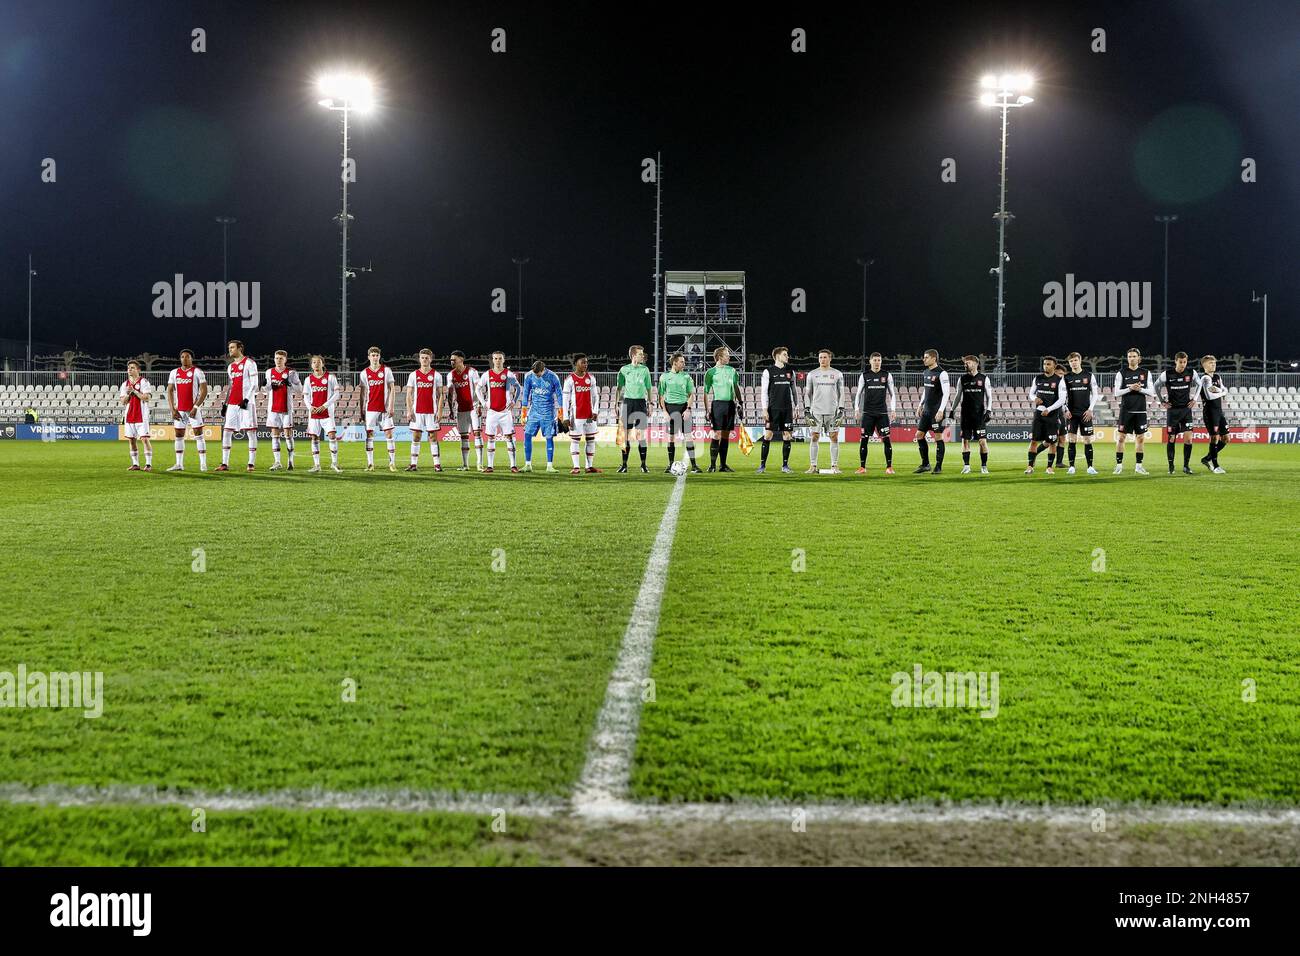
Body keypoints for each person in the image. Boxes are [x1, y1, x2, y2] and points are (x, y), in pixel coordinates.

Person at [1113, 347, 1156, 475]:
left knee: (1140, 438)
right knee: (1121, 438)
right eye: (1129, 356)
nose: (1131, 358)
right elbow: (1116, 393)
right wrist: (1130, 388)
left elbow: (1151, 392)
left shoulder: (1146, 373)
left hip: (1140, 411)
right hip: (1126, 410)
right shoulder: (1121, 373)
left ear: (1139, 358)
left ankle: (1139, 466)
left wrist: (1140, 389)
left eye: (1134, 356)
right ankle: (1119, 466)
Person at [476, 350, 520, 473]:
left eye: (500, 358)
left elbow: (518, 387)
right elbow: (478, 388)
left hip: (505, 411)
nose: (498, 361)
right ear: (493, 360)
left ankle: (513, 465)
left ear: (503, 360)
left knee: (509, 437)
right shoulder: (487, 374)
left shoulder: (508, 374)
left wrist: (514, 401)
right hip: (492, 412)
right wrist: (483, 402)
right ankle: (490, 466)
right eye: (495, 358)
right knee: (491, 438)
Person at [1156, 351, 1200, 475]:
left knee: (1189, 439)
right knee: (1171, 439)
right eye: (1180, 362)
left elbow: (1200, 384)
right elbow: (1156, 385)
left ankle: (1186, 466)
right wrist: (1162, 401)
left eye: (1185, 362)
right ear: (1176, 361)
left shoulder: (1191, 373)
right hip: (1173, 410)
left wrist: (1195, 399)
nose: (1183, 364)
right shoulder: (1167, 374)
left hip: (1186, 410)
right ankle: (1171, 466)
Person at [218, 339, 259, 472]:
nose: (230, 350)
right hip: (232, 404)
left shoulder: (250, 363)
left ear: (240, 348)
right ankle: (224, 463)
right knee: (227, 432)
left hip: (246, 403)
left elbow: (254, 384)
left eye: (232, 347)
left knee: (251, 432)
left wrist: (246, 399)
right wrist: (225, 403)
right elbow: (231, 386)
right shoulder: (230, 367)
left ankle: (251, 463)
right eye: (229, 348)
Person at [803, 349, 846, 474]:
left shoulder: (837, 374)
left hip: (832, 411)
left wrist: (841, 409)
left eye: (825, 357)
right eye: (820, 357)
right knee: (814, 436)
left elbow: (841, 393)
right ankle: (813, 466)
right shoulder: (812, 374)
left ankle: (834, 465)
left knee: (834, 437)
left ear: (830, 358)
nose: (822, 359)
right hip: (816, 411)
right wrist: (807, 409)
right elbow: (807, 393)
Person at [854, 352, 897, 475]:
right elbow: (858, 394)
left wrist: (893, 409)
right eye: (875, 360)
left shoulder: (887, 375)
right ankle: (862, 467)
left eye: (879, 360)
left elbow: (892, 394)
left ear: (881, 362)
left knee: (886, 440)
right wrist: (856, 409)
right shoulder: (864, 376)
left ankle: (889, 467)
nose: (877, 362)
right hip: (868, 413)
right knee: (864, 440)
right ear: (870, 361)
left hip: (882, 413)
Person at [166, 349, 208, 471]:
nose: (185, 358)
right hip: (179, 410)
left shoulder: (197, 372)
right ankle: (179, 464)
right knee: (178, 435)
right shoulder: (174, 372)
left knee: (199, 435)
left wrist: (196, 407)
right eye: (182, 356)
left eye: (187, 356)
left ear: (191, 358)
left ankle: (203, 464)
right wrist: (172, 409)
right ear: (180, 359)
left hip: (193, 409)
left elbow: (204, 391)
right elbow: (170, 390)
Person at [659, 352, 700, 473]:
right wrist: (665, 412)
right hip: (670, 408)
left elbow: (691, 395)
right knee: (671, 437)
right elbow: (661, 396)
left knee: (688, 436)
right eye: (682, 362)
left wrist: (688, 409)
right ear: (674, 363)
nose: (684, 364)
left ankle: (694, 466)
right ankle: (670, 465)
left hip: (684, 408)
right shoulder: (664, 377)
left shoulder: (686, 377)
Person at [758, 346, 796, 475]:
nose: (787, 356)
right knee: (768, 435)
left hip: (787, 409)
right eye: (785, 354)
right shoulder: (768, 371)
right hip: (773, 409)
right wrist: (764, 409)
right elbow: (764, 392)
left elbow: (794, 391)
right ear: (778, 356)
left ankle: (785, 465)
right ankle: (762, 465)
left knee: (787, 436)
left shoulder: (790, 371)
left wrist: (796, 406)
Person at [1062, 352, 1101, 475]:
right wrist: (1065, 409)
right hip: (1071, 414)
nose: (1073, 363)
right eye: (1071, 361)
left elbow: (1095, 394)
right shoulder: (1066, 377)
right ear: (1069, 363)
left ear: (1080, 360)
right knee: (1071, 439)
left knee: (1087, 440)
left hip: (1085, 413)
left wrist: (1090, 409)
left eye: (1075, 360)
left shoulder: (1089, 376)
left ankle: (1090, 467)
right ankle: (1071, 467)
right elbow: (1061, 396)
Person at [520, 359, 563, 472]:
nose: (536, 376)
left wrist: (561, 410)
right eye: (535, 374)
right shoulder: (529, 376)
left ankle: (549, 466)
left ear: (543, 370)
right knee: (527, 435)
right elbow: (526, 393)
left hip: (548, 412)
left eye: (538, 374)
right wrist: (524, 411)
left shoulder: (553, 377)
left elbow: (559, 394)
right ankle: (528, 465)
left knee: (549, 437)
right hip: (534, 411)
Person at [404, 348, 443, 472]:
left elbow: (441, 395)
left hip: (432, 411)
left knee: (433, 437)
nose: (424, 360)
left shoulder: (437, 375)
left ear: (431, 359)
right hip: (417, 411)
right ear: (419, 359)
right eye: (422, 358)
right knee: (416, 437)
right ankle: (413, 464)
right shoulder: (413, 375)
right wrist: (409, 410)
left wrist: (440, 411)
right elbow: (409, 394)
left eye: (427, 358)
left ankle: (437, 465)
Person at [1026, 356, 1066, 475]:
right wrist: (1034, 398)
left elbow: (1062, 400)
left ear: (1054, 366)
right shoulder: (1037, 378)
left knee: (1052, 442)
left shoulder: (1060, 380)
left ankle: (1049, 467)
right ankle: (1030, 466)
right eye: (1044, 364)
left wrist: (1049, 409)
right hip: (1039, 414)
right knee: (1034, 440)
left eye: (1048, 364)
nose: (1046, 366)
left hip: (1052, 415)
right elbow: (1031, 393)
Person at [704, 346, 741, 472]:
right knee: (716, 434)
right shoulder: (710, 372)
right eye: (727, 355)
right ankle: (712, 465)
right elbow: (706, 392)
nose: (729, 357)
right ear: (720, 357)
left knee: (726, 435)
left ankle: (723, 465)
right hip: (717, 405)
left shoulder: (732, 371)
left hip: (730, 405)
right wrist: (707, 410)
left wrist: (740, 402)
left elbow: (736, 387)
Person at [952, 355, 992, 474]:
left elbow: (989, 396)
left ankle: (984, 466)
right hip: (966, 416)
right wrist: (952, 410)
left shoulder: (984, 378)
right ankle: (966, 466)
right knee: (965, 440)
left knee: (982, 442)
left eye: (968, 363)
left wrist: (988, 410)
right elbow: (957, 396)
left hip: (979, 416)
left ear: (975, 364)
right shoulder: (962, 379)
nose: (965, 365)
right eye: (965, 363)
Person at [562, 353, 601, 474]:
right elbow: (565, 400)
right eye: (583, 362)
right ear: (576, 364)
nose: (585, 364)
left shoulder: (591, 378)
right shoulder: (570, 380)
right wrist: (565, 417)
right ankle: (576, 467)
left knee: (591, 439)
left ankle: (589, 466)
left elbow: (595, 396)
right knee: (575, 440)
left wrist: (595, 411)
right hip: (576, 416)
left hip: (589, 416)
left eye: (586, 362)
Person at [616, 345, 653, 473]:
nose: (643, 356)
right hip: (628, 403)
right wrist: (616, 404)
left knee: (641, 435)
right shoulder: (624, 369)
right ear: (633, 356)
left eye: (642, 354)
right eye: (640, 354)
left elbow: (649, 388)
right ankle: (624, 465)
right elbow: (619, 388)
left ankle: (643, 465)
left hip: (641, 403)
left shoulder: (645, 370)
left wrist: (650, 403)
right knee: (625, 436)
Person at [914, 349, 951, 474]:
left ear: (934, 358)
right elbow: (926, 390)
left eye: (926, 357)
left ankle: (938, 467)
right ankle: (925, 464)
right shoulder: (925, 372)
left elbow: (946, 393)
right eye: (924, 357)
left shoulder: (942, 373)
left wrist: (941, 410)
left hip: (936, 411)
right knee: (919, 435)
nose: (924, 359)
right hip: (927, 411)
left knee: (938, 437)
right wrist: (920, 404)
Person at [303, 355, 341, 473]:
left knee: (332, 436)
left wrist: (324, 406)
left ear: (323, 364)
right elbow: (306, 396)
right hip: (314, 413)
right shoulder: (308, 379)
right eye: (314, 362)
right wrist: (310, 407)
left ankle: (334, 463)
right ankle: (317, 465)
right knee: (314, 437)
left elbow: (336, 394)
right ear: (311, 365)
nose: (316, 364)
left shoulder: (330, 377)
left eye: (318, 362)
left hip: (327, 413)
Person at [446, 351, 483, 471]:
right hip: (461, 409)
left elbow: (478, 389)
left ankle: (479, 464)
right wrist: (451, 410)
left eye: (454, 359)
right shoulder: (450, 375)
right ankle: (465, 465)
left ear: (461, 360)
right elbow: (450, 394)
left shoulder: (472, 372)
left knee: (477, 434)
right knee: (464, 437)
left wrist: (479, 405)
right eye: (451, 360)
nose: (452, 362)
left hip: (473, 408)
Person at [264, 349, 299, 471]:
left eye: (281, 358)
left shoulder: (291, 372)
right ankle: (277, 462)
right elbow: (266, 389)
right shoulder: (269, 372)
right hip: (273, 408)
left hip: (286, 408)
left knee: (288, 435)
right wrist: (265, 385)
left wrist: (290, 384)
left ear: (285, 360)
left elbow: (299, 389)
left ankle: (290, 460)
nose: (278, 360)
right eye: (276, 358)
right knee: (275, 435)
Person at [119, 360, 153, 471]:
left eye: (132, 367)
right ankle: (135, 464)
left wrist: (135, 391)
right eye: (128, 368)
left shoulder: (144, 382)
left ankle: (148, 464)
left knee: (144, 439)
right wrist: (129, 394)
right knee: (131, 440)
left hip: (141, 415)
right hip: (129, 416)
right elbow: (123, 401)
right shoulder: (124, 384)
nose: (129, 369)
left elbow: (146, 398)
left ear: (138, 370)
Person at [1198, 355, 1229, 474]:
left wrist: (1219, 390)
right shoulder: (1205, 378)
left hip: (1219, 411)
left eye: (1214, 363)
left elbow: (1225, 389)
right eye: (1211, 363)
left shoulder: (1217, 377)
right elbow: (1210, 396)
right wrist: (1222, 392)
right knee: (1214, 438)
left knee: (1226, 438)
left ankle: (1207, 459)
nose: (1213, 365)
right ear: (1204, 365)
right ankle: (1216, 466)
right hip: (1210, 412)